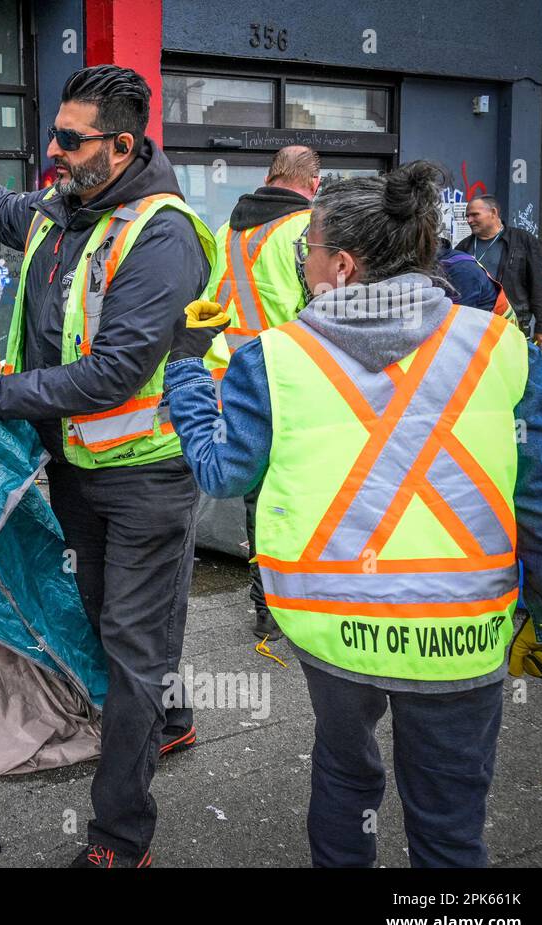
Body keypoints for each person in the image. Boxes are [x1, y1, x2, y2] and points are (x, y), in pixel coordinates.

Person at [163, 161, 542, 867]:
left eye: (306, 252)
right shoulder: (500, 347)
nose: (303, 264)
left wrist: (186, 366)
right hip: (462, 633)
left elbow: (221, 472)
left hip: (334, 628)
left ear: (342, 266)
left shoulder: (276, 358)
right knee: (448, 831)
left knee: (346, 778)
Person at [0, 64, 215, 868]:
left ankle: (119, 837)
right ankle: (170, 722)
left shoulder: (161, 236)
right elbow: (2, 209)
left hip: (146, 478)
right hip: (78, 467)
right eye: (54, 134)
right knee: (116, 625)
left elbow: (112, 371)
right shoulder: (64, 210)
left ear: (123, 145)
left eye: (71, 140)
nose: (53, 151)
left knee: (133, 644)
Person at [199, 145, 320, 650]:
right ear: (313, 184)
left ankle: (266, 607)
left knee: (258, 498)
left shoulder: (228, 229)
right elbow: (323, 311)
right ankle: (298, 601)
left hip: (229, 377)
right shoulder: (307, 230)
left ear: (271, 175)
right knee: (301, 494)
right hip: (289, 379)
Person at [456, 195, 542, 343]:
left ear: (493, 213)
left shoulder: (523, 241)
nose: (469, 220)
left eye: (475, 215)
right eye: (467, 216)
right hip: (474, 326)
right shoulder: (463, 247)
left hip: (513, 323)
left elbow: (538, 284)